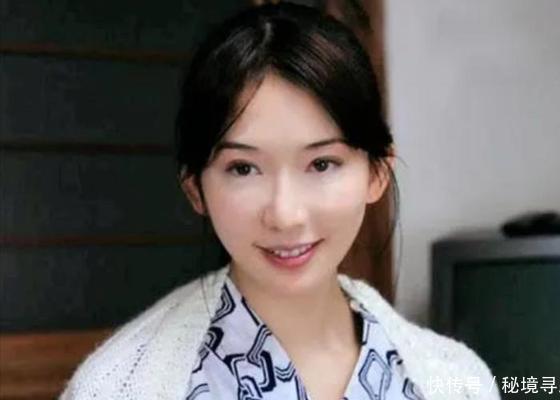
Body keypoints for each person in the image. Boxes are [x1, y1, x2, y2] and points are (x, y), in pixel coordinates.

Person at [60, 3, 500, 399]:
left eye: (322, 164)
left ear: (376, 174)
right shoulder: (117, 388)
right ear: (195, 189)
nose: (286, 215)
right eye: (243, 169)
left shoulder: (458, 382)